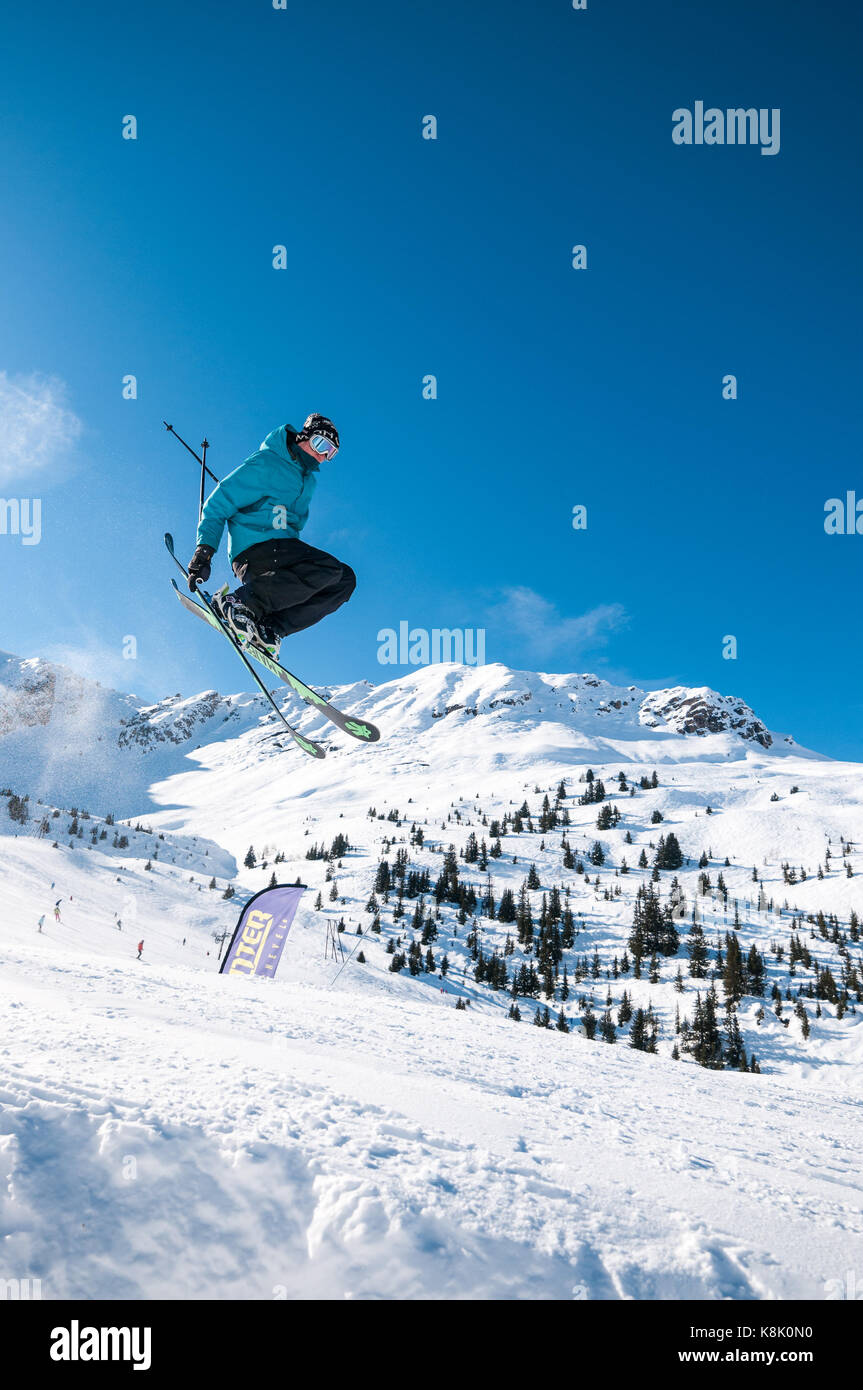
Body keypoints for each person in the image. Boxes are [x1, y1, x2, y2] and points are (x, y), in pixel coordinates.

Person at [186, 413, 355, 659]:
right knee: (328, 568)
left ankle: (269, 627)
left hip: (281, 550)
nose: (323, 455)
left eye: (331, 453)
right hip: (255, 550)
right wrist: (205, 551)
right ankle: (240, 603)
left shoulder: (307, 482)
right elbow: (218, 504)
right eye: (321, 444)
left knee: (345, 580)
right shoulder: (268, 462)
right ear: (304, 436)